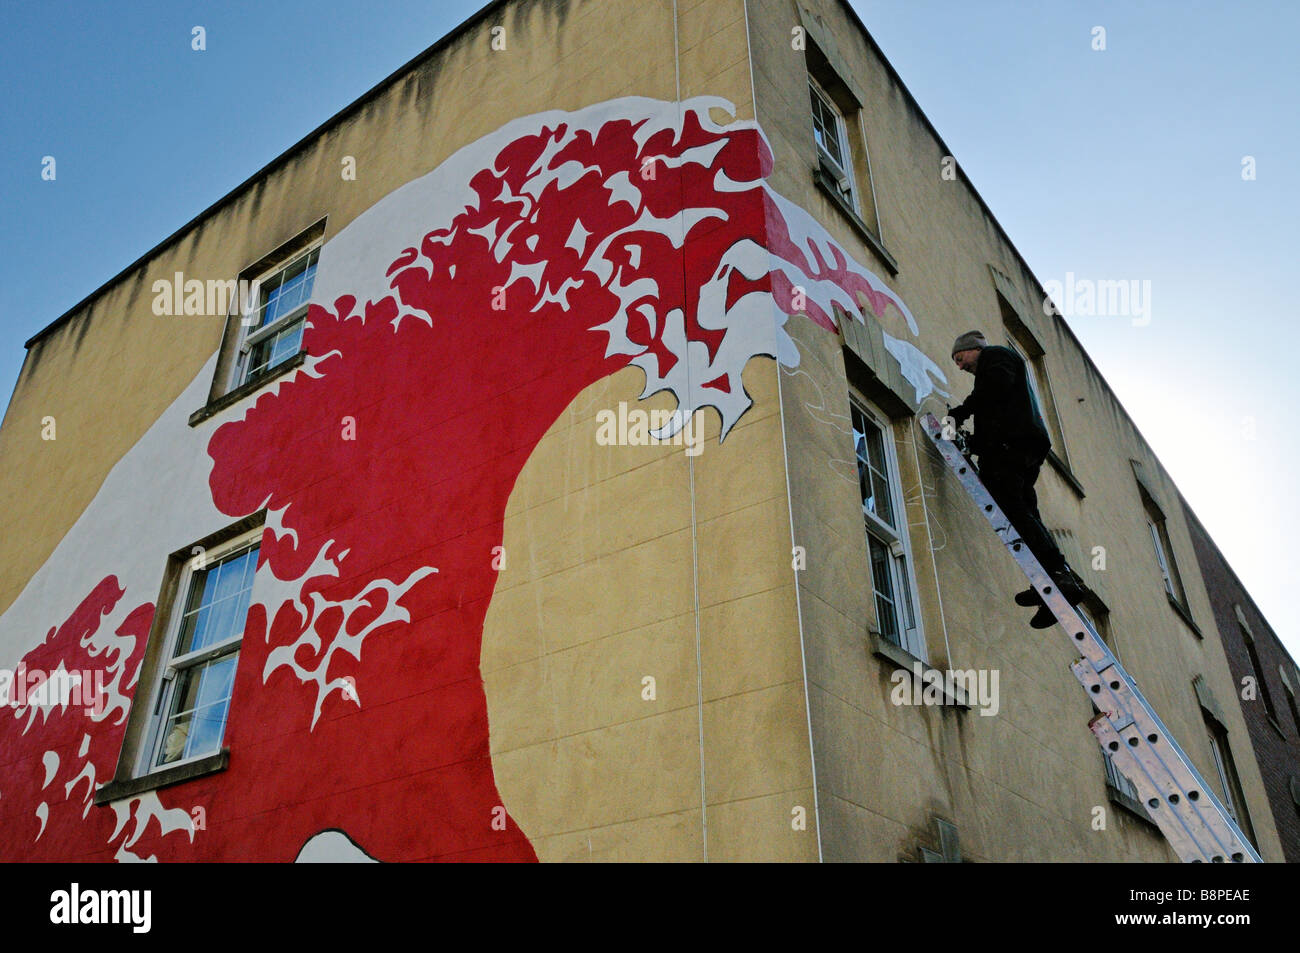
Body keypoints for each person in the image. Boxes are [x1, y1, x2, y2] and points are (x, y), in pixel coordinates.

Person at [948, 330, 1086, 628]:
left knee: (1014, 508)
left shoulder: (997, 357)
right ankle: (1057, 581)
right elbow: (994, 407)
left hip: (1014, 446)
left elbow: (992, 391)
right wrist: (974, 443)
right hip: (1018, 447)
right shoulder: (997, 384)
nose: (960, 367)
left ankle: (1057, 577)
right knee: (1025, 511)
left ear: (973, 349)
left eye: (960, 359)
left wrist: (961, 412)